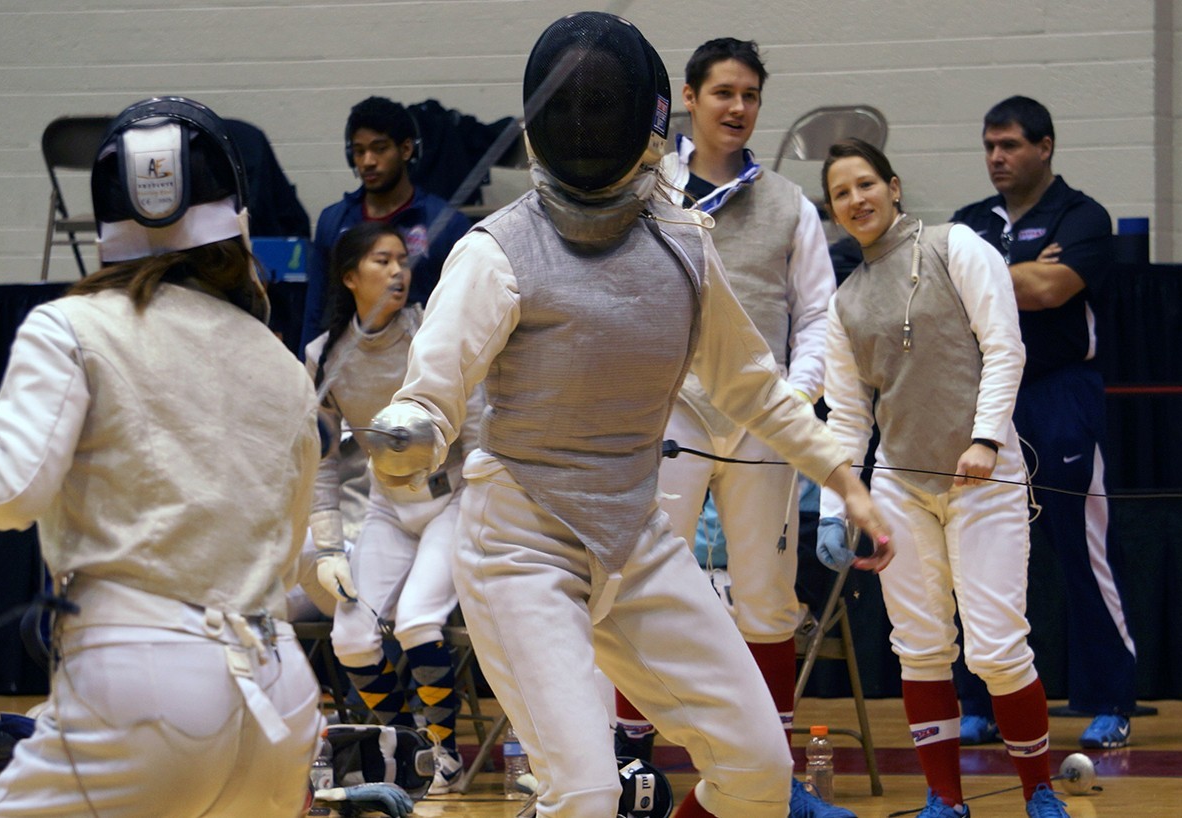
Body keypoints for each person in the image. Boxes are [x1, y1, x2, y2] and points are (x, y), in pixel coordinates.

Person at [363, 13, 890, 818]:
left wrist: (844, 481)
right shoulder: (497, 250)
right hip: (519, 549)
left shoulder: (683, 242)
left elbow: (751, 384)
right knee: (585, 791)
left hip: (633, 542)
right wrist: (412, 434)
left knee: (756, 769)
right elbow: (433, 394)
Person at [0, 97, 322, 817]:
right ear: (232, 218)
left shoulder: (72, 326)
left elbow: (12, 487)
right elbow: (291, 541)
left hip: (146, 691)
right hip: (279, 698)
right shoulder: (280, 363)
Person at [817, 138, 1069, 818]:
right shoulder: (843, 302)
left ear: (893, 186)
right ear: (835, 211)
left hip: (983, 478)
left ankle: (1038, 792)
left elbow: (1003, 345)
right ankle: (944, 801)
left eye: (865, 184)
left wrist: (986, 439)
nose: (857, 200)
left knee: (996, 649)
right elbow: (845, 418)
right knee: (920, 648)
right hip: (901, 484)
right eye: (842, 193)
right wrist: (836, 507)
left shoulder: (958, 246)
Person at [627, 36, 846, 818]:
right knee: (640, 583)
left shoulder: (790, 203)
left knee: (767, 599)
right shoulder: (648, 189)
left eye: (750, 94)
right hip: (671, 415)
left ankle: (777, 780)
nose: (738, 107)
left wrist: (795, 395)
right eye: (723, 92)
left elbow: (819, 312)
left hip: (761, 422)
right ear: (689, 97)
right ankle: (631, 767)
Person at [949, 95, 1134, 751]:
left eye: (1010, 145)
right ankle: (979, 701)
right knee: (976, 550)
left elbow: (1054, 291)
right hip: (987, 398)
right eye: (990, 146)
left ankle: (1109, 698)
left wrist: (985, 273)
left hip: (1060, 392)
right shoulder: (968, 221)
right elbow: (950, 292)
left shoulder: (1082, 215)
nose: (997, 158)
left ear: (1045, 146)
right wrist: (1020, 271)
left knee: (1081, 548)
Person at [305, 221, 483, 794]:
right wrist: (330, 544)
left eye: (402, 260)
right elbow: (324, 461)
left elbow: (478, 426)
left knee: (417, 621)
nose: (397, 271)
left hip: (452, 498)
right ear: (351, 277)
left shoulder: (432, 330)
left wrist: (485, 504)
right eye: (382, 261)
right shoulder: (324, 356)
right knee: (351, 637)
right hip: (388, 509)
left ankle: (445, 754)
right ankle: (406, 742)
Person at [298, 95, 471, 356]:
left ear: (405, 150)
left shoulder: (445, 224)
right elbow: (316, 310)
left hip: (421, 362)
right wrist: (307, 375)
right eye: (359, 151)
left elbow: (464, 312)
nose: (368, 161)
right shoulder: (334, 221)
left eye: (379, 148)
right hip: (348, 365)